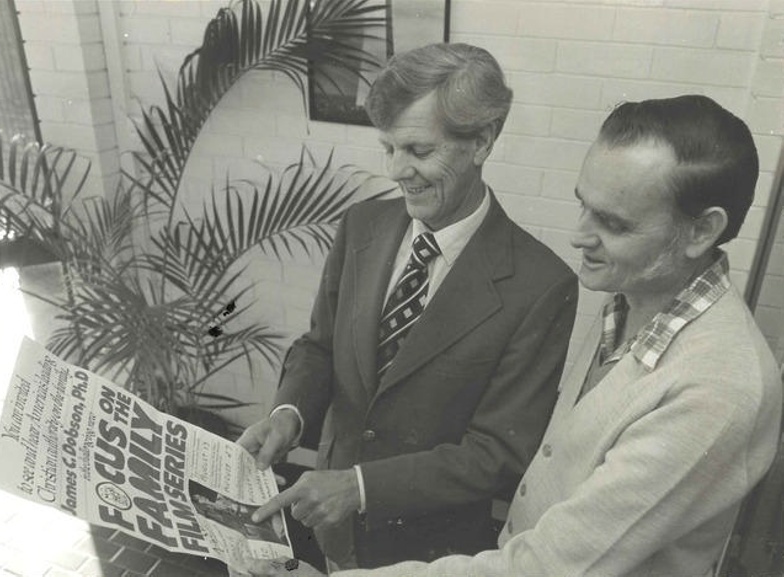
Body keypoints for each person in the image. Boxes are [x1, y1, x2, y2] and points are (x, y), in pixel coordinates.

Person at [245, 95, 783, 577]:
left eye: (613, 224)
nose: (579, 236)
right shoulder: (628, 297)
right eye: (582, 204)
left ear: (702, 231)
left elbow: (551, 566)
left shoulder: (719, 387)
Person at [236, 43, 578, 570]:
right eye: (389, 148)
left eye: (419, 151)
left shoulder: (542, 286)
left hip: (429, 556)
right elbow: (320, 346)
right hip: (331, 530)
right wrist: (289, 414)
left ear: (483, 141)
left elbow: (498, 454)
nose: (398, 171)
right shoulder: (361, 227)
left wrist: (360, 487)